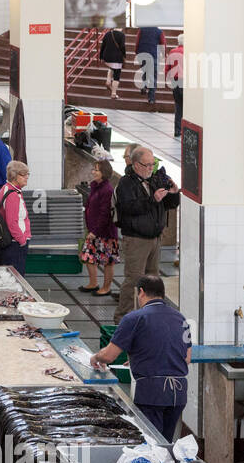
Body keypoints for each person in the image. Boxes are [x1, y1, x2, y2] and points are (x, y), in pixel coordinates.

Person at [89, 276, 191, 442]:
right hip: (178, 394)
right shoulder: (181, 318)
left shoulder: (134, 318)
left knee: (152, 446)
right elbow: (186, 358)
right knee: (166, 446)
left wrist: (95, 357)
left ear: (141, 292)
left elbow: (108, 356)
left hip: (153, 393)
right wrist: (144, 357)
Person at [112, 147, 179, 319]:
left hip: (155, 238)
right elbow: (128, 208)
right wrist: (152, 200)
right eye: (147, 165)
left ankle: (148, 316)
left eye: (153, 164)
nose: (150, 168)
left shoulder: (155, 180)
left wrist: (173, 194)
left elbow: (169, 205)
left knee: (152, 281)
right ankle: (123, 318)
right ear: (135, 165)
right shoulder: (126, 184)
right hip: (136, 239)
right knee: (134, 280)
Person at [80, 161, 119, 296]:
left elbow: (105, 214)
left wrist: (95, 231)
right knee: (88, 257)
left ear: (104, 172)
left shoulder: (107, 190)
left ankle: (106, 287)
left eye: (96, 170)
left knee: (107, 261)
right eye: (94, 169)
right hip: (93, 230)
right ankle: (93, 283)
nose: (93, 172)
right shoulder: (96, 187)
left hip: (105, 232)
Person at [0, 160, 32, 275]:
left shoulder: (6, 189)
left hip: (10, 242)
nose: (27, 177)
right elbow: (12, 222)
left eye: (27, 174)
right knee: (17, 277)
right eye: (23, 174)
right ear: (14, 176)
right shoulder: (13, 195)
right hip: (14, 244)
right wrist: (22, 241)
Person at [135, 25, 165, 107]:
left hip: (142, 53)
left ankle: (144, 85)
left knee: (145, 71)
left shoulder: (142, 29)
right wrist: (163, 54)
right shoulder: (159, 32)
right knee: (153, 77)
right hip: (153, 55)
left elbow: (137, 41)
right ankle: (151, 98)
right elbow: (163, 44)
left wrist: (137, 51)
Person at [99, 26, 126, 99]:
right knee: (117, 75)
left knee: (111, 67)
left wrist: (101, 57)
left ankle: (108, 81)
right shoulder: (122, 35)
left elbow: (103, 46)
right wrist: (124, 56)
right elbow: (122, 47)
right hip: (116, 58)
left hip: (107, 57)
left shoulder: (107, 34)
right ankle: (113, 94)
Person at [166, 35, 184, 137]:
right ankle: (184, 129)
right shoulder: (188, 52)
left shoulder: (173, 52)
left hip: (175, 80)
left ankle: (177, 130)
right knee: (186, 105)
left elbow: (167, 67)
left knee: (178, 105)